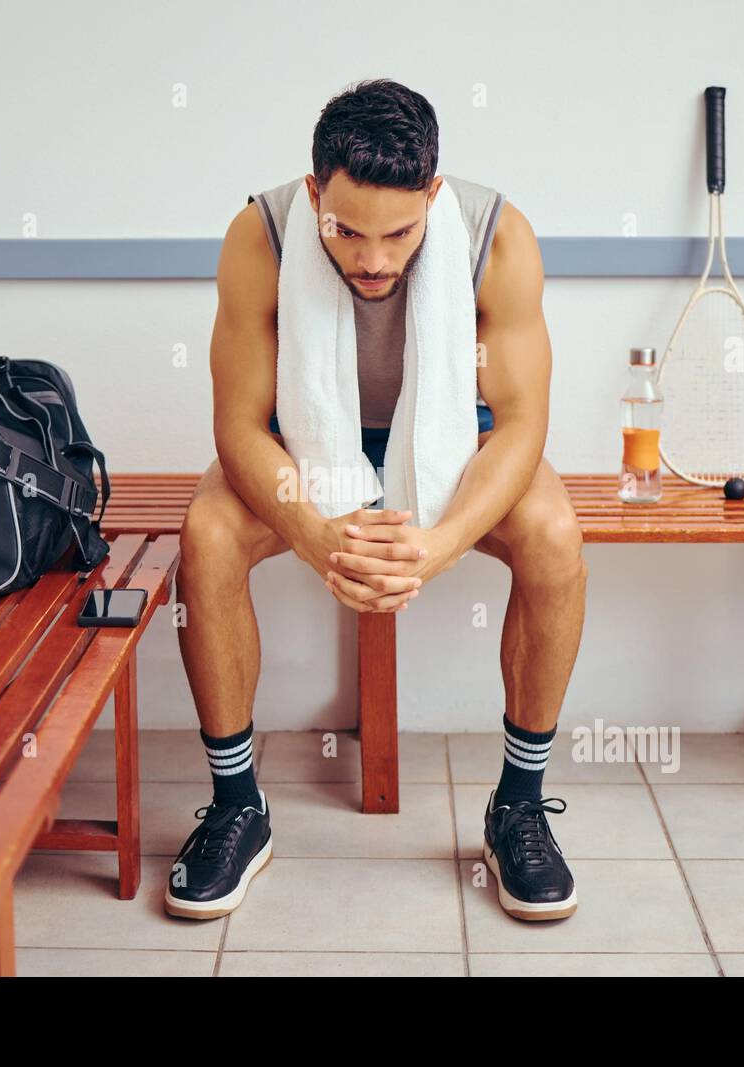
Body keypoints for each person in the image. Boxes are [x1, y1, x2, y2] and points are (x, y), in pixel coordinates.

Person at [165, 78, 587, 923]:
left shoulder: (499, 239)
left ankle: (519, 806)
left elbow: (520, 426)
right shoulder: (259, 235)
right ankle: (237, 804)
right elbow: (241, 425)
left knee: (553, 532)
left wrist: (440, 542)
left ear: (434, 195)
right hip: (302, 443)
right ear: (315, 192)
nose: (374, 259)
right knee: (207, 532)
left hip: (453, 435)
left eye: (400, 232)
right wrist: (318, 536)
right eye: (348, 230)